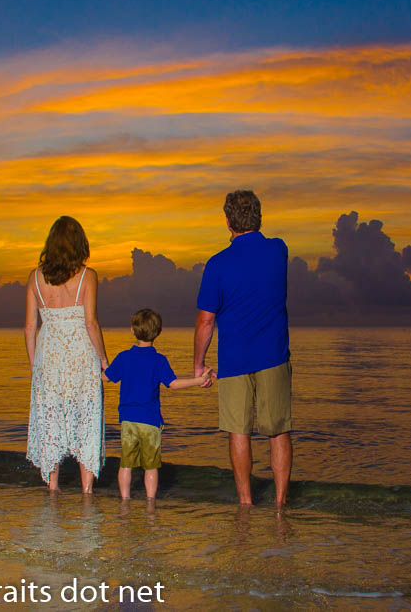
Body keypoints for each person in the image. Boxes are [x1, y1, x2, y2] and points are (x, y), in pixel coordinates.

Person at [193, 190, 292, 509]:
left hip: (234, 359)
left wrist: (199, 363)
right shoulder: (278, 250)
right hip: (274, 356)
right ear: (259, 216)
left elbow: (206, 321)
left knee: (239, 432)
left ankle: (246, 504)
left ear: (227, 221)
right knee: (278, 431)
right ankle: (279, 504)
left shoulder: (217, 264)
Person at [24, 216, 109, 493]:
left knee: (51, 420)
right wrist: (104, 361)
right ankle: (86, 491)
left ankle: (53, 487)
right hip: (80, 356)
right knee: (85, 417)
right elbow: (91, 323)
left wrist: (34, 365)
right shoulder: (88, 276)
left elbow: (29, 326)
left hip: (48, 355)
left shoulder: (35, 278)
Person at [103, 308, 214, 502]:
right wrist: (198, 381)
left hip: (128, 420)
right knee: (151, 466)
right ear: (158, 333)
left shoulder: (123, 357)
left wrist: (93, 367)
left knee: (126, 463)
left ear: (133, 331)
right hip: (150, 420)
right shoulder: (159, 360)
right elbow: (173, 384)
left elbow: (105, 377)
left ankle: (125, 500)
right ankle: (150, 502)